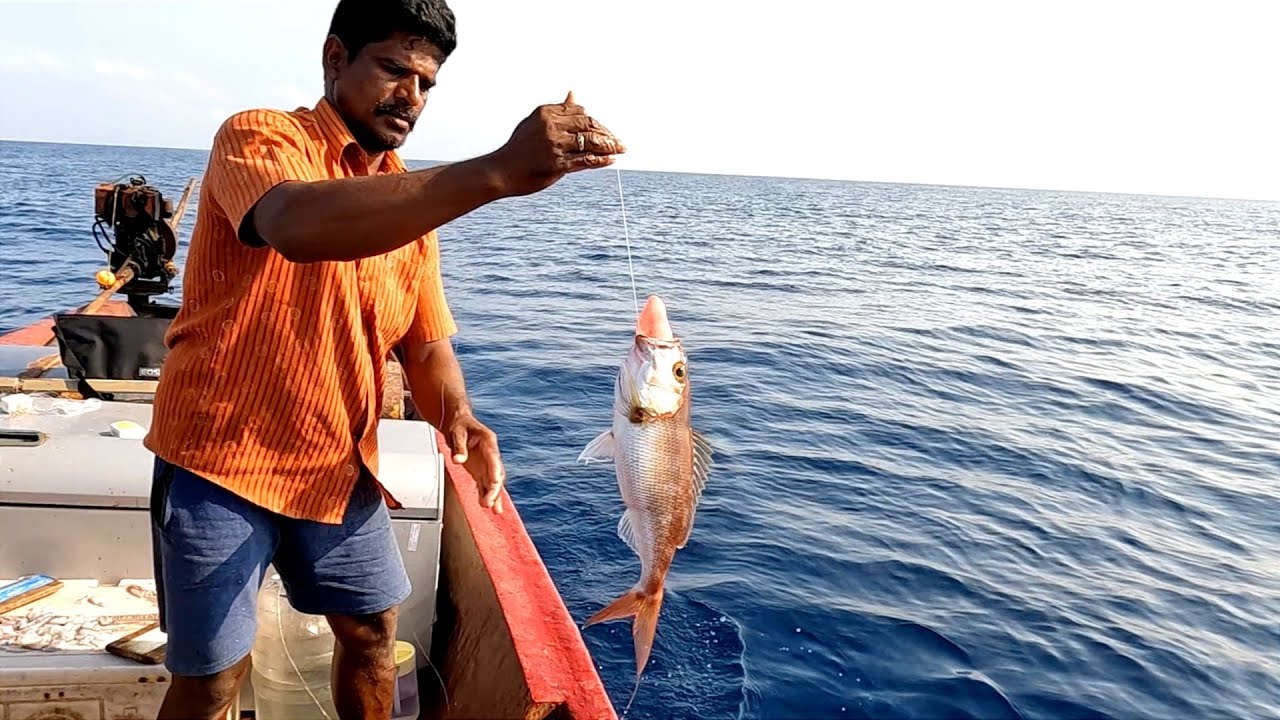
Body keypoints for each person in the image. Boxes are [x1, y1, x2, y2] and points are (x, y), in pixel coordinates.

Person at [141, 0, 625, 717]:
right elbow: (292, 223)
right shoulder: (260, 135)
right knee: (213, 677)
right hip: (220, 460)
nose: (411, 96)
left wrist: (458, 415)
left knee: (372, 634)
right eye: (394, 69)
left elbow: (426, 343)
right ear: (336, 59)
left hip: (339, 465)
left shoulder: (411, 205)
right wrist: (496, 170)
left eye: (427, 82)